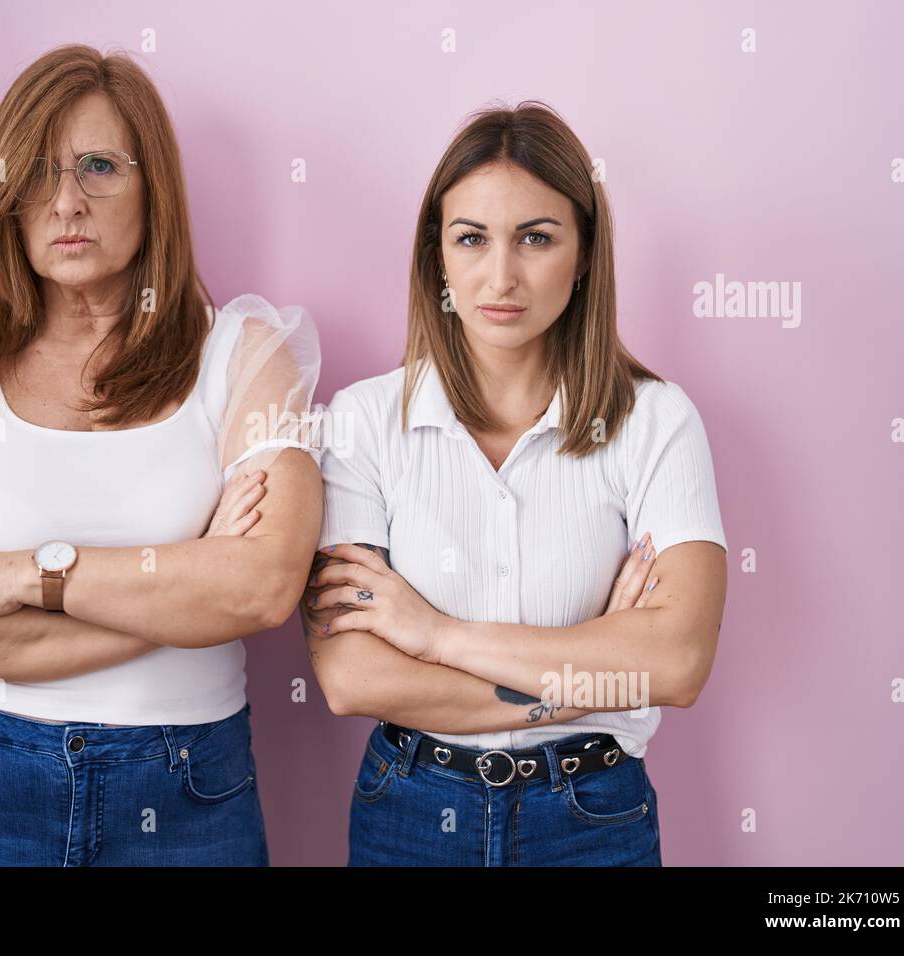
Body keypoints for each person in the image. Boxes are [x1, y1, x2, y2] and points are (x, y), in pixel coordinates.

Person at [0, 44, 323, 866]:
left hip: (187, 794)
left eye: (100, 165)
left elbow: (263, 588)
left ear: (156, 191)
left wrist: (18, 576)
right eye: (37, 172)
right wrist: (188, 579)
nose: (67, 200)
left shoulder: (244, 353)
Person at [302, 101, 728, 867]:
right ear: (438, 257)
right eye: (472, 239)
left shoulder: (657, 420)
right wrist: (589, 680)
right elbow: (352, 676)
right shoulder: (364, 421)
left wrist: (436, 636)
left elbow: (678, 662)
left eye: (536, 238)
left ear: (586, 253)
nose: (501, 276)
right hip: (410, 808)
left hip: (593, 816)